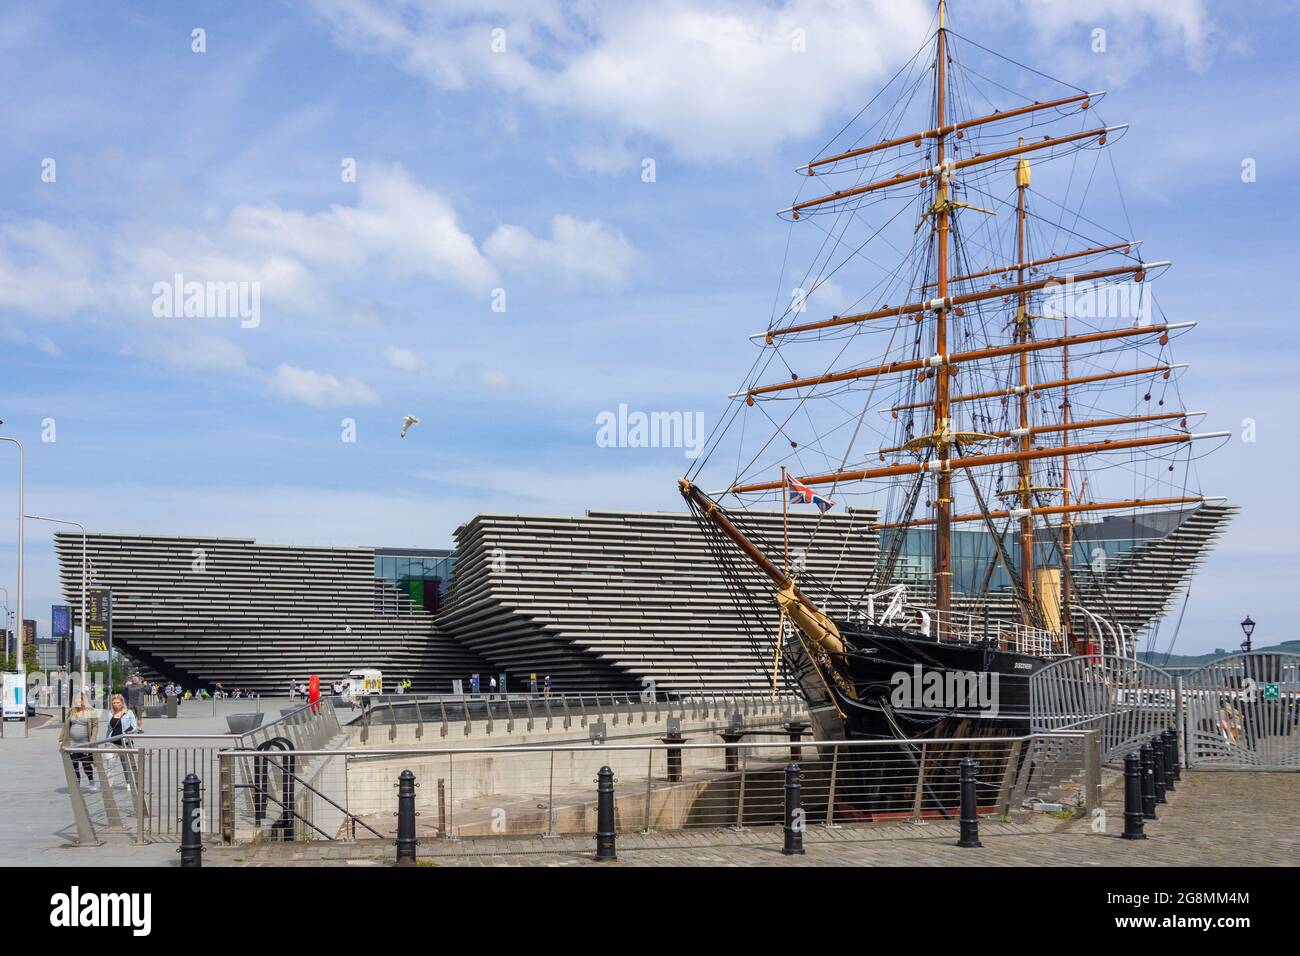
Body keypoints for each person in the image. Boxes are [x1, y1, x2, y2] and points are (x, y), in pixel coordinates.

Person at [59, 693, 99, 792]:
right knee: (74, 765)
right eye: (75, 700)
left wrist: (93, 740)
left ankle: (91, 782)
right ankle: (77, 786)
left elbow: (95, 726)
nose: (77, 702)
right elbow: (65, 726)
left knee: (86, 764)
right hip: (72, 743)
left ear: (83, 700)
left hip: (85, 742)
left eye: (79, 700)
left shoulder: (91, 711)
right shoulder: (71, 711)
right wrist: (61, 739)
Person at [105, 693, 139, 791]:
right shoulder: (110, 714)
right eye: (114, 703)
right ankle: (109, 785)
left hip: (125, 743)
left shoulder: (129, 713)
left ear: (122, 703)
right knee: (110, 765)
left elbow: (134, 727)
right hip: (111, 742)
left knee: (126, 764)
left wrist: (129, 731)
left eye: (118, 702)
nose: (115, 704)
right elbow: (109, 729)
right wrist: (106, 741)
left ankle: (129, 783)